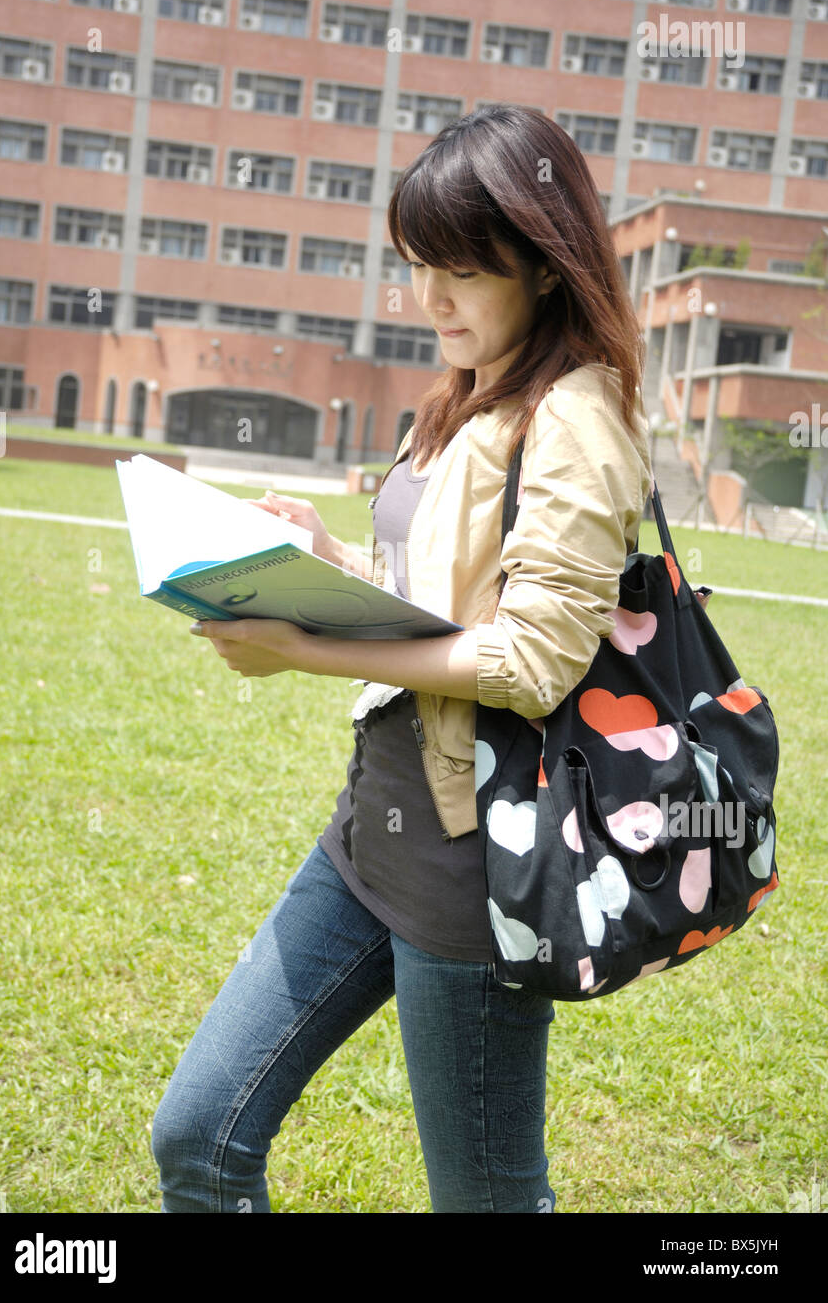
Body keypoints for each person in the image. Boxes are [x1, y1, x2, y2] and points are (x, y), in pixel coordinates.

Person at [150, 103, 653, 1214]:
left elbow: (532, 662)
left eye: (460, 271)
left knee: (485, 1201)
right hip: (370, 831)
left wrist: (304, 647)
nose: (429, 299)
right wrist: (322, 556)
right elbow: (444, 593)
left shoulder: (575, 417)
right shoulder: (473, 390)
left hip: (476, 872)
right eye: (416, 266)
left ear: (540, 262)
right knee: (199, 1133)